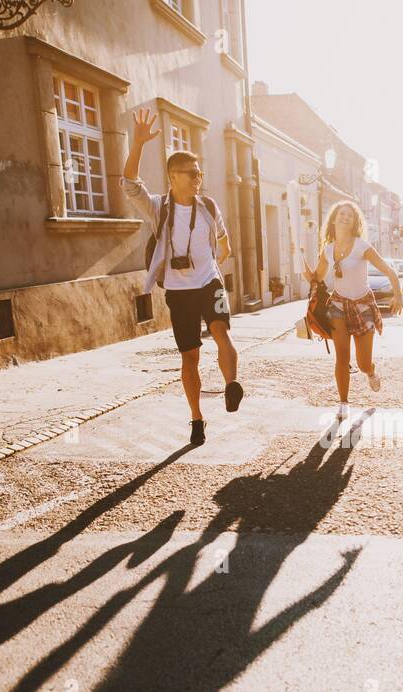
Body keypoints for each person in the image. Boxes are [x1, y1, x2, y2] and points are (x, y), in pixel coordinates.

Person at [121, 107, 243, 447]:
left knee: (221, 331)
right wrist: (139, 144)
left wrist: (215, 264)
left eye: (199, 173)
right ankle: (196, 418)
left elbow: (225, 244)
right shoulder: (159, 207)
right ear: (173, 177)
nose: (197, 178)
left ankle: (232, 386)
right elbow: (130, 184)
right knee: (190, 356)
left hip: (209, 283)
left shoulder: (209, 207)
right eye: (191, 173)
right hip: (178, 291)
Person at [303, 201, 403, 420]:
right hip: (338, 305)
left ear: (355, 221)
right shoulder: (328, 249)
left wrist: (397, 294)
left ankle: (370, 372)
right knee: (342, 357)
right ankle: (343, 403)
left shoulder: (361, 246)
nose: (345, 217)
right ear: (333, 219)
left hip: (363, 305)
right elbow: (316, 278)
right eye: (341, 213)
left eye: (350, 215)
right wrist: (298, 257)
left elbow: (389, 270)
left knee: (363, 362)